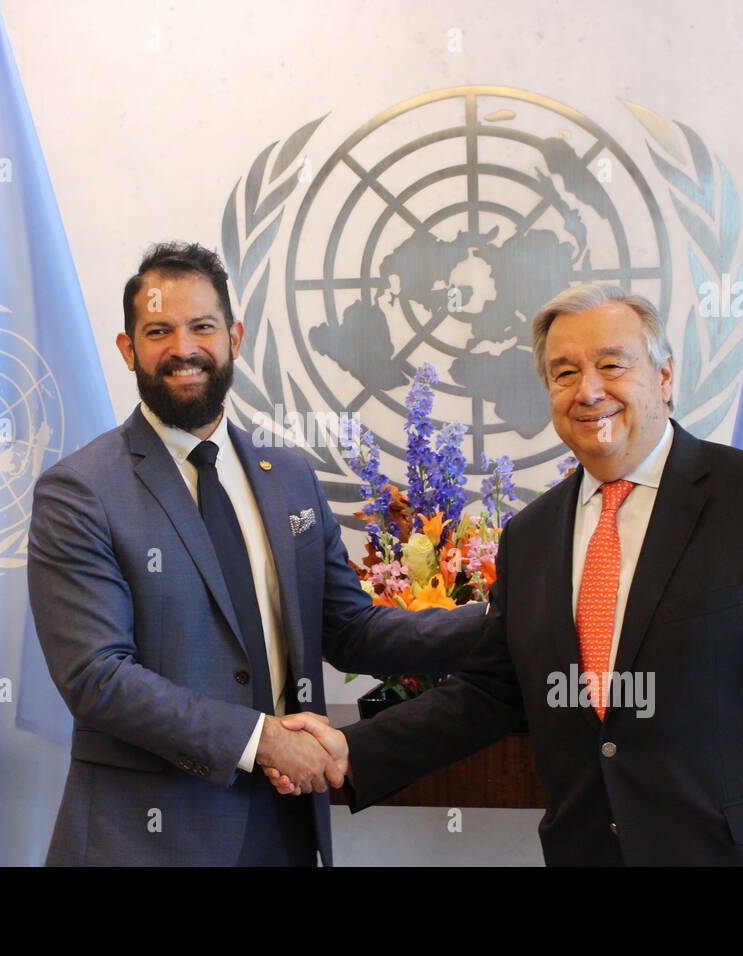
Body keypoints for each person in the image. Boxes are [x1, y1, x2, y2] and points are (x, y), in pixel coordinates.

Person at [268, 283, 743, 866]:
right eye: (564, 373)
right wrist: (349, 751)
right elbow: (490, 692)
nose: (588, 391)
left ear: (664, 377)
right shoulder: (531, 536)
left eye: (611, 365)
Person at [27, 241, 483, 866]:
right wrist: (262, 741)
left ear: (234, 338)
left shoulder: (289, 478)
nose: (183, 348)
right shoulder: (81, 491)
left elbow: (349, 630)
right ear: (128, 350)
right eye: (158, 331)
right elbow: (97, 678)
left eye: (202, 327)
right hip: (147, 840)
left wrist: (502, 622)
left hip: (285, 827)